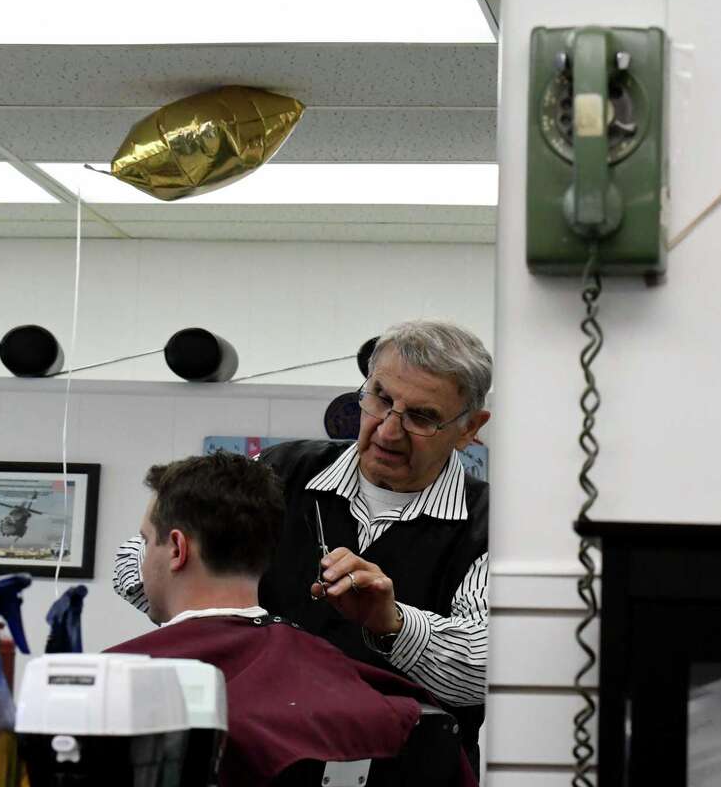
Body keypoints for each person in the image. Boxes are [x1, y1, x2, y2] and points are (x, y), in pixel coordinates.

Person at [113, 320, 493, 764]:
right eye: (381, 400)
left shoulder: (493, 524)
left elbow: (487, 670)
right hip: (257, 763)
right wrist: (223, 605)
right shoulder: (276, 472)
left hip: (409, 770)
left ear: (470, 428)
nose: (388, 431)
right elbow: (135, 564)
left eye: (421, 417)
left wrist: (394, 625)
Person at [107, 452, 476, 787]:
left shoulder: (107, 688)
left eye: (145, 540)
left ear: (176, 548)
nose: (140, 559)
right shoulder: (395, 709)